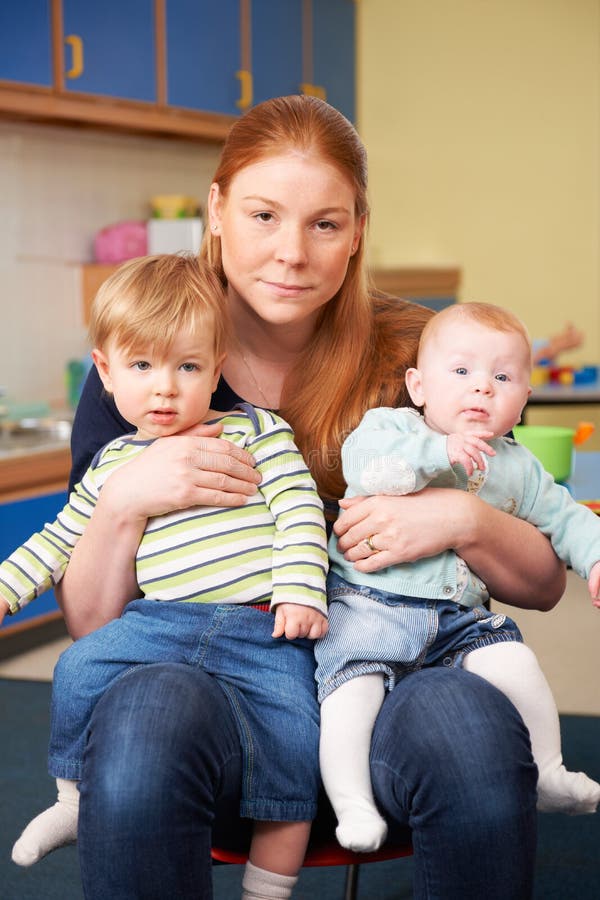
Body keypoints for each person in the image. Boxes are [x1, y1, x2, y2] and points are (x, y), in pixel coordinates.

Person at [57, 95, 566, 900]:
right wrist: (124, 500)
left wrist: (463, 517)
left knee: (470, 724)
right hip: (216, 695)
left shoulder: (431, 355)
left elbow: (543, 585)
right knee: (142, 713)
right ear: (217, 209)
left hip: (392, 681)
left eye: (325, 224)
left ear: (358, 229)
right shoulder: (147, 364)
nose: (291, 253)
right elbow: (92, 625)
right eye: (264, 214)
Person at [2, 254, 328, 900]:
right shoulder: (111, 466)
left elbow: (300, 513)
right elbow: (57, 541)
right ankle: (74, 797)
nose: (165, 389)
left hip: (258, 624)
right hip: (159, 623)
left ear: (218, 366)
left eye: (187, 367)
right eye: (142, 366)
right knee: (77, 668)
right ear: (105, 371)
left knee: (295, 731)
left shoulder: (259, 435)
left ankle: (269, 884)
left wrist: (298, 589)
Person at [316, 301, 600, 854]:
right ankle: (352, 804)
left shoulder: (518, 467)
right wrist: (437, 451)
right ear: (418, 386)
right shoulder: (392, 426)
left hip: (457, 618)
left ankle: (548, 770)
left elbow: (568, 518)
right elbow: (367, 469)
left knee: (515, 660)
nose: (482, 390)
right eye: (463, 372)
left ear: (523, 402)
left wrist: (594, 558)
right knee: (349, 691)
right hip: (369, 604)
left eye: (502, 378)